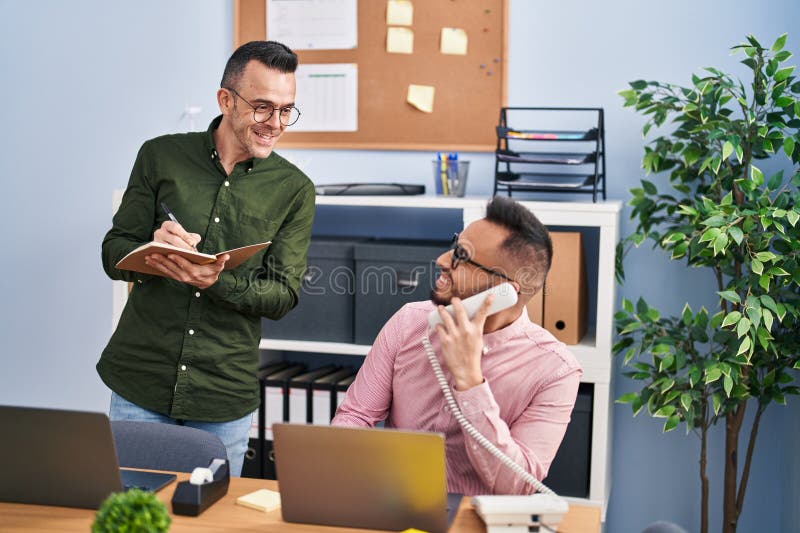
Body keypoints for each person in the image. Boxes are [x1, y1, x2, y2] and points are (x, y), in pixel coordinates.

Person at [97, 41, 315, 476]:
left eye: (286, 109)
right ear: (225, 100)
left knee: (211, 519)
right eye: (263, 107)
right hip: (140, 382)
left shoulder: (295, 190)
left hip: (223, 396)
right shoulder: (160, 156)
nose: (275, 123)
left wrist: (213, 279)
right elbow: (112, 253)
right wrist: (151, 247)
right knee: (135, 520)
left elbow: (283, 295)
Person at [333, 196, 582, 495]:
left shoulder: (555, 370)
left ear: (504, 292)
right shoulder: (410, 322)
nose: (442, 259)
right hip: (394, 504)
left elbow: (518, 485)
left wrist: (469, 381)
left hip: (477, 520)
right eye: (455, 245)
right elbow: (356, 416)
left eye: (462, 256)